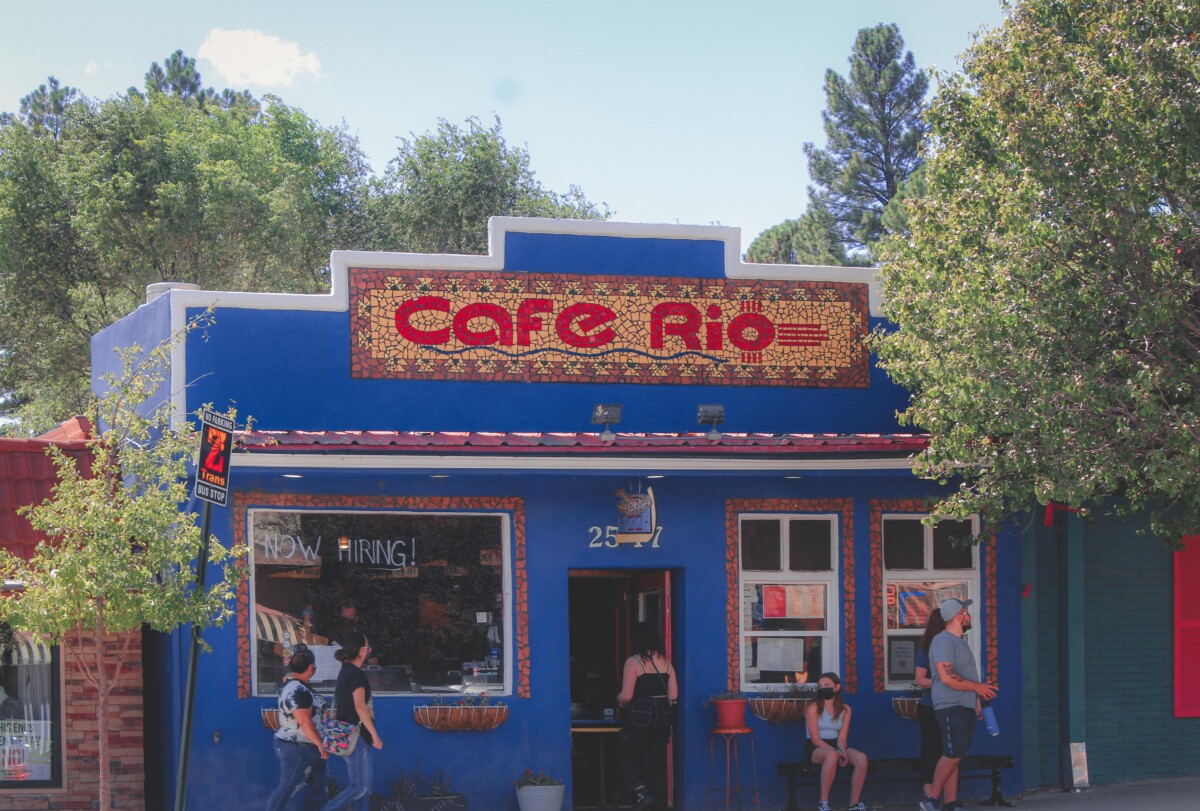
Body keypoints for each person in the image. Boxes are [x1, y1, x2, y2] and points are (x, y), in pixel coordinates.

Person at [920, 598, 998, 811]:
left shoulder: (958, 642)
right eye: (966, 612)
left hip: (964, 704)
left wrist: (976, 697)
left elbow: (961, 676)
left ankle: (951, 802)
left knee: (956, 754)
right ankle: (932, 799)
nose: (969, 616)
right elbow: (947, 677)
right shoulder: (942, 640)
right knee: (952, 753)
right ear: (958, 616)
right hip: (950, 705)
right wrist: (977, 687)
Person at [616, 622, 678, 811]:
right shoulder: (666, 662)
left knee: (625, 754)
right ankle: (657, 802)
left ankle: (640, 791)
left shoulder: (633, 662)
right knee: (653, 758)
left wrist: (618, 700)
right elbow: (673, 695)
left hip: (640, 716)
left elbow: (627, 695)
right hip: (662, 718)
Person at [321, 632, 383, 811]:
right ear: (362, 651)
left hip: (350, 734)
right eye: (367, 646)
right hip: (356, 736)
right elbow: (360, 707)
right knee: (360, 786)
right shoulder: (356, 674)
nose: (369, 650)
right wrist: (374, 735)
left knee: (363, 787)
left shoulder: (346, 671)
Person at [266, 646, 329, 811]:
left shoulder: (296, 686)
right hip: (299, 747)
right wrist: (320, 744)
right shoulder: (298, 690)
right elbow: (305, 722)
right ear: (311, 667)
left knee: (319, 791)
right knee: (286, 789)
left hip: (307, 746)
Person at [804, 672, 868, 811]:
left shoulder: (845, 709)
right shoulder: (813, 707)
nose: (823, 688)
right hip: (816, 747)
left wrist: (842, 750)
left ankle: (854, 804)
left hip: (836, 744)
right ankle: (823, 802)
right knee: (832, 755)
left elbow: (842, 737)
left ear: (836, 687)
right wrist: (836, 752)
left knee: (861, 759)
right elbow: (815, 739)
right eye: (820, 686)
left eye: (827, 685)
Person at [915, 609, 947, 798]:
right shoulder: (926, 648)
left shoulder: (956, 646)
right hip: (930, 706)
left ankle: (949, 795)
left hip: (952, 706)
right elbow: (920, 679)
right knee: (931, 749)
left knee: (951, 751)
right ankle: (928, 793)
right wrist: (944, 682)